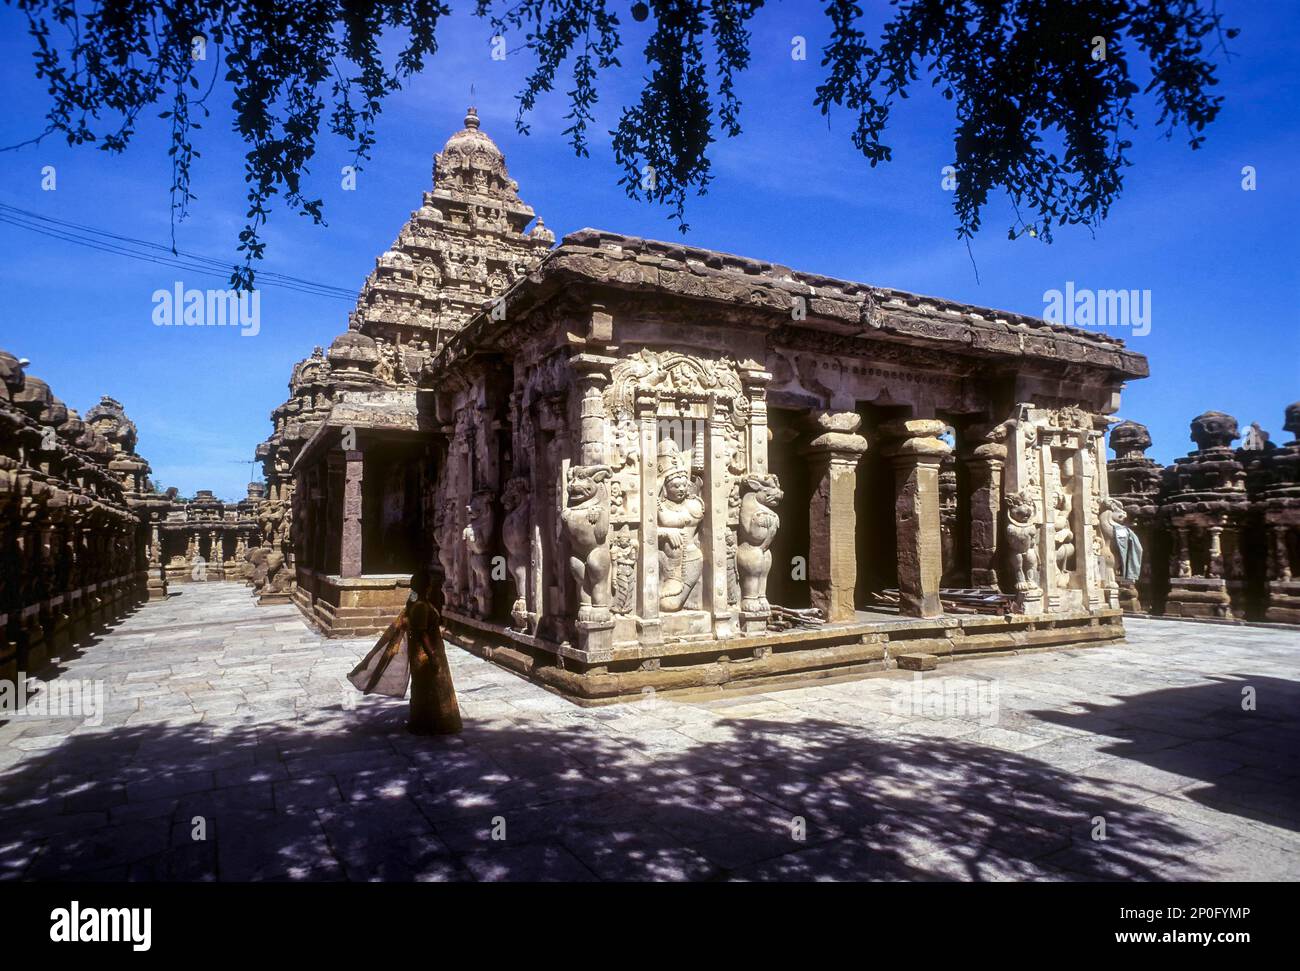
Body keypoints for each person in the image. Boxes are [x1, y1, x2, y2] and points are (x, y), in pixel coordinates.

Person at [348, 567, 462, 735]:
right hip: (425, 653)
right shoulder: (421, 606)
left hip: (424, 652)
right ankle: (429, 722)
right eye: (429, 584)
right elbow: (422, 633)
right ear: (426, 586)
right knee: (430, 686)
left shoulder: (417, 603)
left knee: (425, 686)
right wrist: (432, 655)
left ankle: (427, 720)